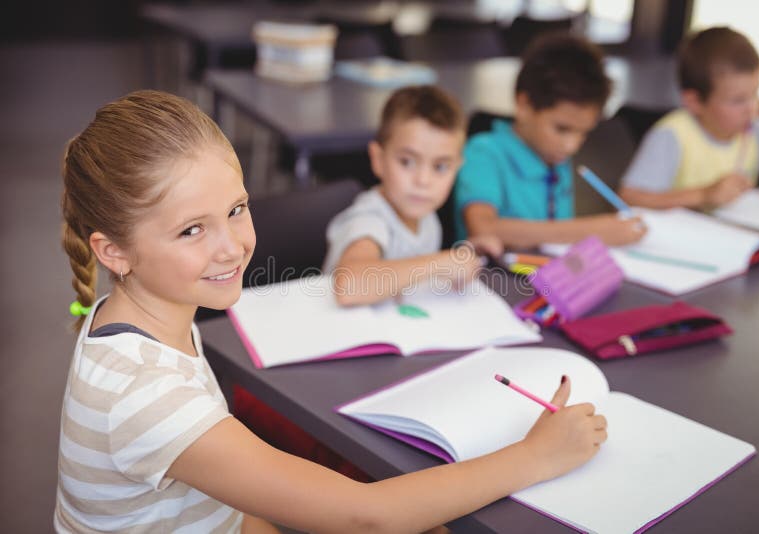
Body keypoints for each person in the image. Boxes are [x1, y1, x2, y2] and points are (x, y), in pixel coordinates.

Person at [57, 89, 607, 533]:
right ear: (114, 251)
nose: (231, 247)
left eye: (236, 209)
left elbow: (221, 509)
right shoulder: (144, 393)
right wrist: (536, 457)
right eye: (192, 229)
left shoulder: (153, 317)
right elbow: (367, 518)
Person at [454, 34, 646, 249]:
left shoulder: (556, 158)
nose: (571, 146)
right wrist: (591, 232)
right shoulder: (484, 152)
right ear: (524, 105)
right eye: (561, 129)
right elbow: (484, 229)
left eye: (583, 133)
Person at [323, 85, 502, 306]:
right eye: (407, 162)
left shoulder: (426, 217)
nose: (423, 181)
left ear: (457, 168)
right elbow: (349, 287)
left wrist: (463, 253)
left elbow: (415, 274)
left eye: (440, 167)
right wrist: (439, 263)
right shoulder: (369, 220)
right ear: (378, 159)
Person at [619, 26, 759, 209]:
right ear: (694, 101)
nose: (753, 108)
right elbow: (630, 198)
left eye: (755, 94)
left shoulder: (753, 129)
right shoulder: (672, 135)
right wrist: (703, 195)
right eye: (738, 100)